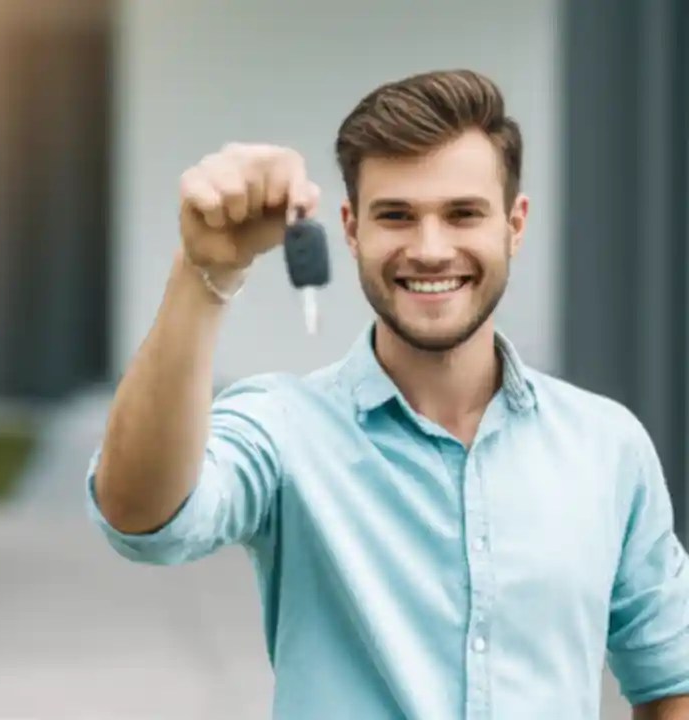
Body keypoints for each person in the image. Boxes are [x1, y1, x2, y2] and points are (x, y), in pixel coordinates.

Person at [86, 69, 689, 719]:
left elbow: (667, 678)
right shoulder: (284, 428)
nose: (430, 250)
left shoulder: (607, 445)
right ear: (350, 229)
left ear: (515, 224)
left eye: (463, 214)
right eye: (396, 215)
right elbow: (140, 518)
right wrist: (204, 272)